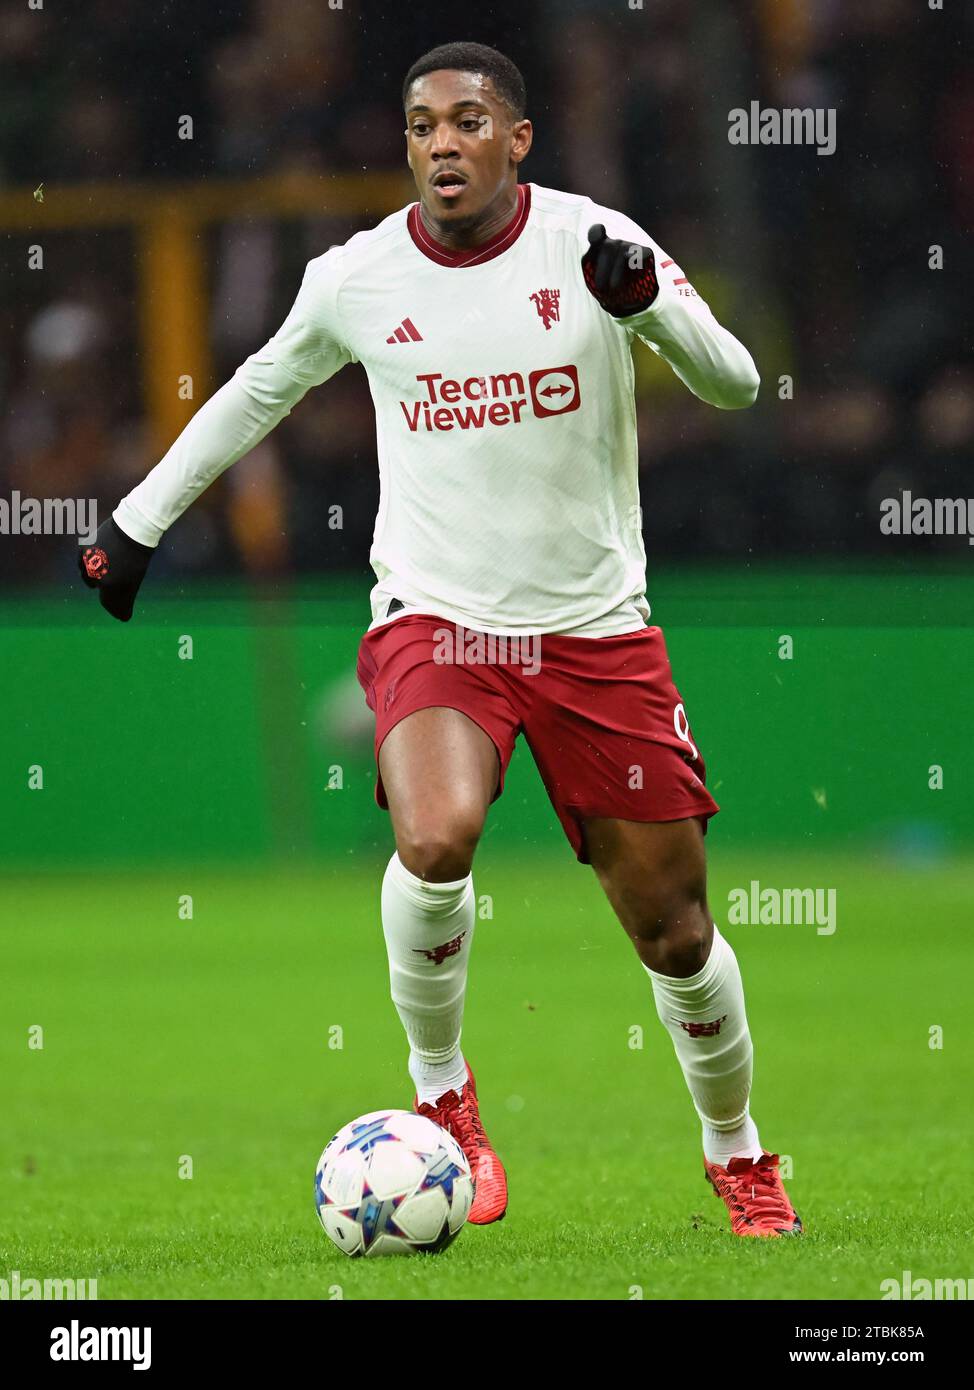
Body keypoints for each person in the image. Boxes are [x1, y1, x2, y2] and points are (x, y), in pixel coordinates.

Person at [80, 41, 801, 1238]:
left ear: (517, 139)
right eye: (420, 126)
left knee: (675, 933)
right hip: (436, 619)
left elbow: (733, 383)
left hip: (591, 633)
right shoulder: (358, 277)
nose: (441, 144)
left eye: (467, 121)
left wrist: (647, 311)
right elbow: (255, 390)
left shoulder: (589, 241)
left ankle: (736, 1153)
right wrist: (135, 525)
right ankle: (445, 1098)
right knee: (434, 834)